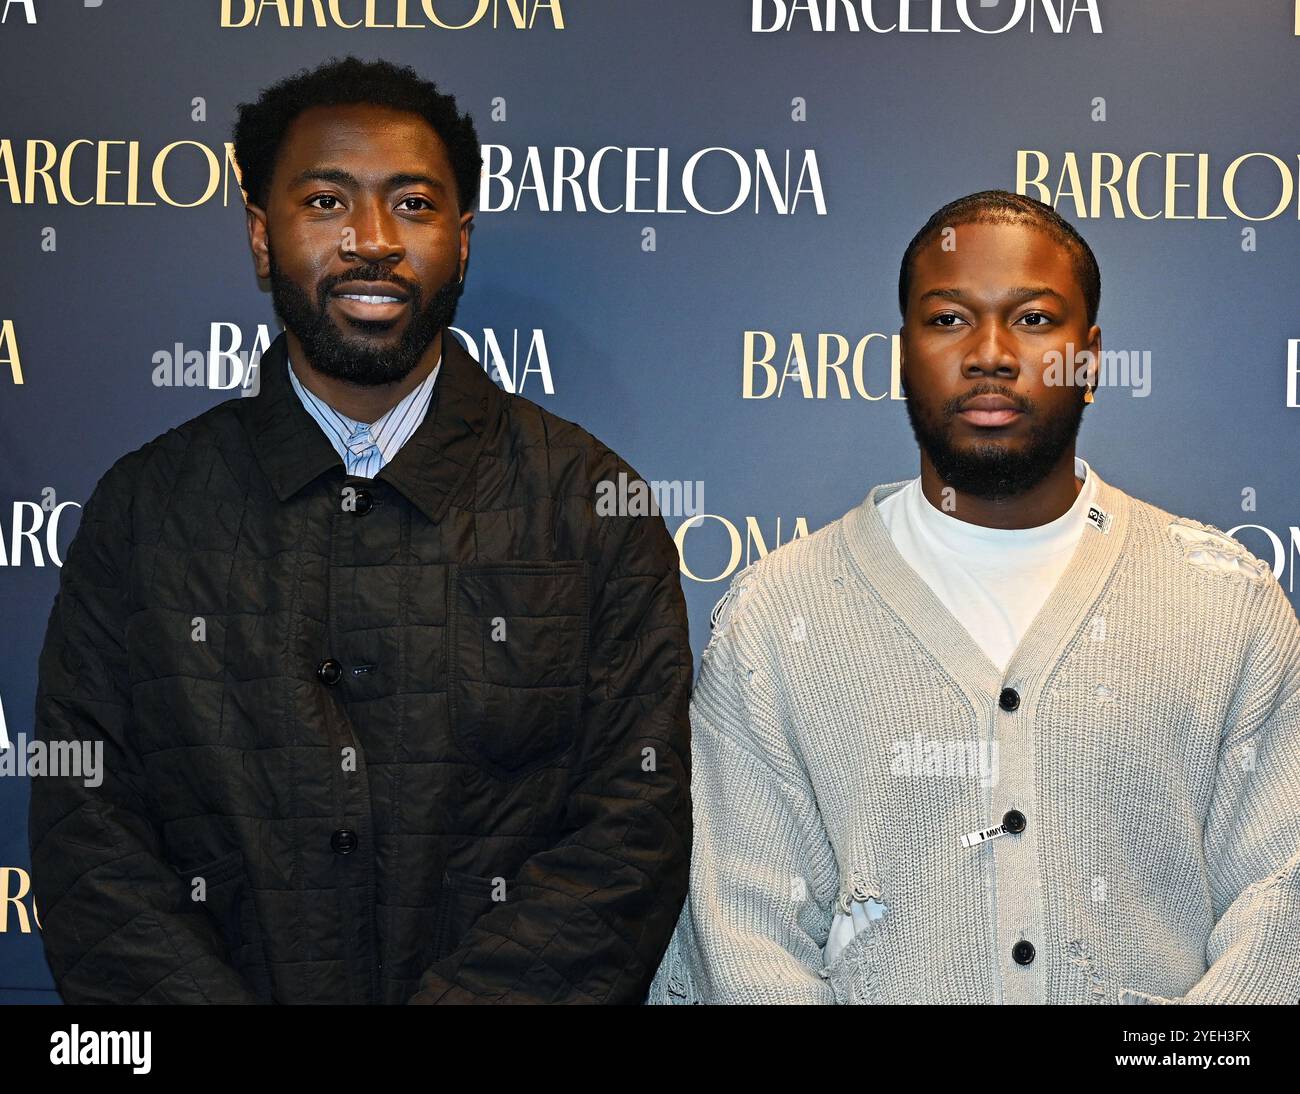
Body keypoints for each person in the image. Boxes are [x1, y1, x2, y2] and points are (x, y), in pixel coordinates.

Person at [29, 56, 692, 1005]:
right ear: (263, 237)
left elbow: (632, 833)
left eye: (413, 206)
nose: (372, 241)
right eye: (327, 202)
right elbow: (89, 834)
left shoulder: (588, 503)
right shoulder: (144, 510)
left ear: (461, 242)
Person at [648, 190, 1300, 1004]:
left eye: (1032, 320)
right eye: (949, 319)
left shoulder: (1225, 606)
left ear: (1089, 356)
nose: (990, 352)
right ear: (902, 353)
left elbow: (1281, 905)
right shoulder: (779, 620)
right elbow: (743, 931)